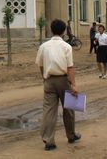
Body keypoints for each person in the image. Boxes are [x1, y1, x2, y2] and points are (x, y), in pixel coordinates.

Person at [35, 18, 81, 151]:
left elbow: (41, 65)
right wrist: (74, 85)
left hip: (49, 81)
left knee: (49, 111)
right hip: (63, 80)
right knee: (69, 109)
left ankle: (49, 140)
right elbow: (70, 68)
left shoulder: (43, 46)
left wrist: (45, 78)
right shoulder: (66, 47)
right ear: (64, 31)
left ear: (51, 30)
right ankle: (71, 135)